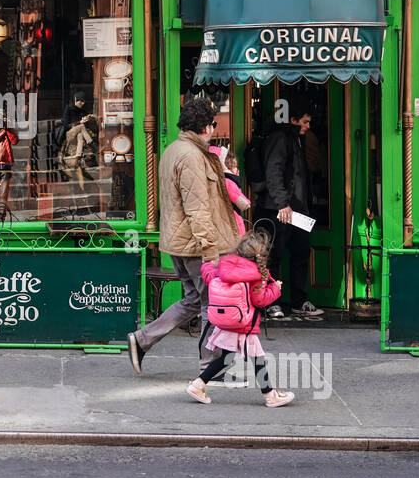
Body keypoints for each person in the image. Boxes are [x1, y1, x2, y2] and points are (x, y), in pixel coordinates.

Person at [127, 97, 240, 373]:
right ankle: (209, 366)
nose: (213, 129)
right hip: (195, 246)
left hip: (181, 242)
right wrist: (210, 251)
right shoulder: (190, 156)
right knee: (209, 305)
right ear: (204, 126)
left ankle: (142, 340)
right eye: (212, 124)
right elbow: (197, 208)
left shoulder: (176, 149)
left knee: (192, 300)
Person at [185, 229, 295, 407]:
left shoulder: (224, 267)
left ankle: (198, 385)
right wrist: (276, 289)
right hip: (244, 324)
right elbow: (259, 300)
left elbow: (208, 276)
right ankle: (270, 395)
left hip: (226, 322)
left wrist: (207, 264)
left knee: (226, 358)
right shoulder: (256, 275)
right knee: (258, 358)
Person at [257, 100, 322, 318]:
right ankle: (271, 302)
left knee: (300, 254)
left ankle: (298, 300)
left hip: (298, 210)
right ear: (293, 120)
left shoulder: (297, 139)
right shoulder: (281, 138)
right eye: (305, 121)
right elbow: (273, 172)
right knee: (274, 256)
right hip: (281, 210)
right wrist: (282, 203)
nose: (308, 126)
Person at [212, 145, 251, 237]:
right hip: (232, 219)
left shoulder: (214, 180)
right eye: (235, 167)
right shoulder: (228, 182)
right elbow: (243, 203)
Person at [60, 114, 98, 189]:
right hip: (67, 134)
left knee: (80, 135)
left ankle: (78, 155)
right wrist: (79, 122)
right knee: (81, 127)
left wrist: (88, 118)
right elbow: (66, 126)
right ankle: (91, 143)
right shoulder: (68, 115)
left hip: (75, 133)